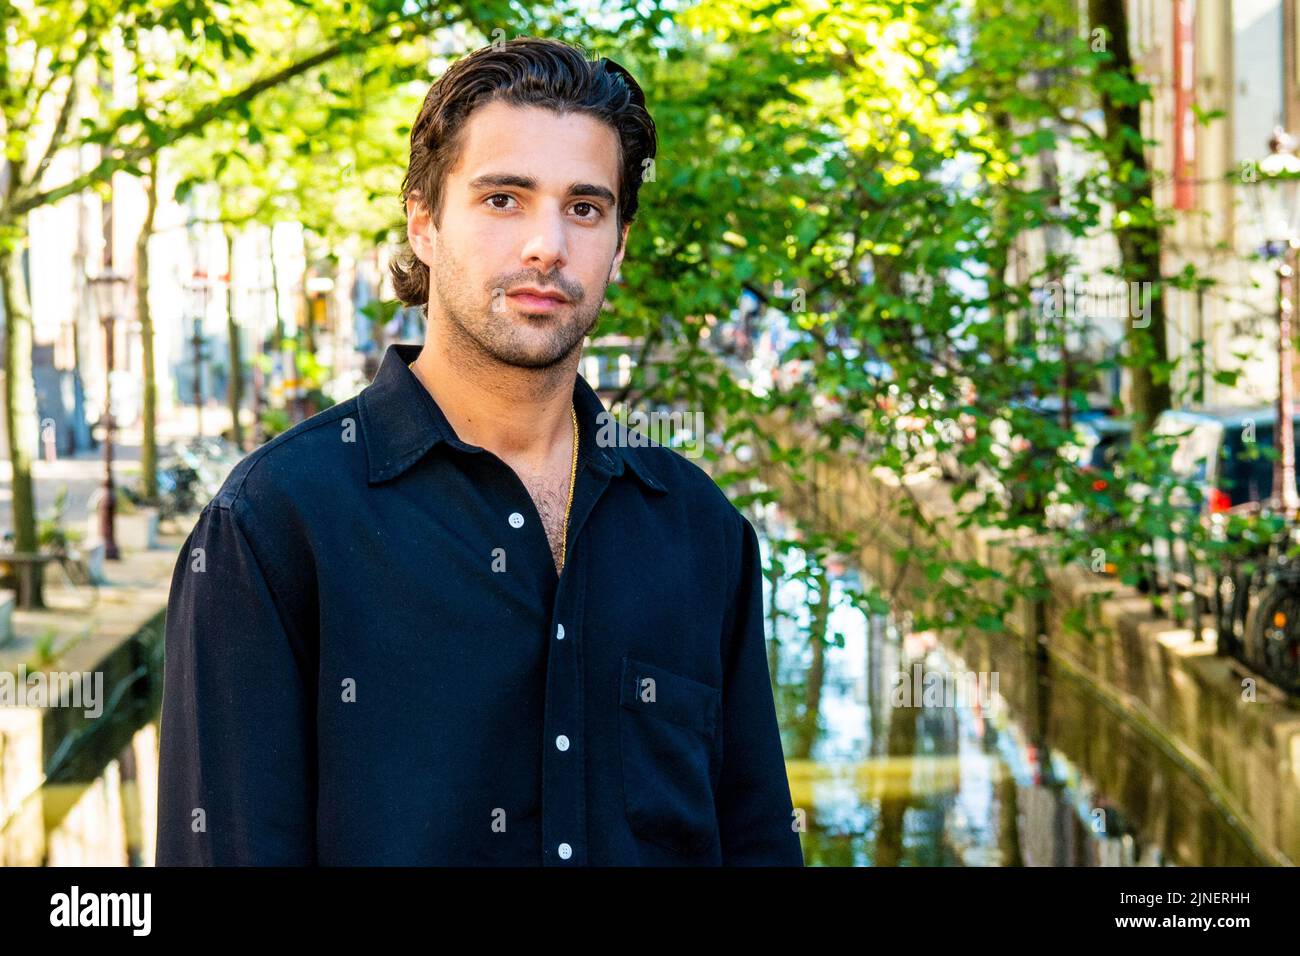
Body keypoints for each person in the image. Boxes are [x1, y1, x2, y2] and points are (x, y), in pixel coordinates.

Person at [155, 36, 803, 866]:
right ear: (424, 223)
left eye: (585, 207)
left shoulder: (700, 529)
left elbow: (755, 842)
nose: (547, 246)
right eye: (503, 199)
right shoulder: (275, 527)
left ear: (619, 245)